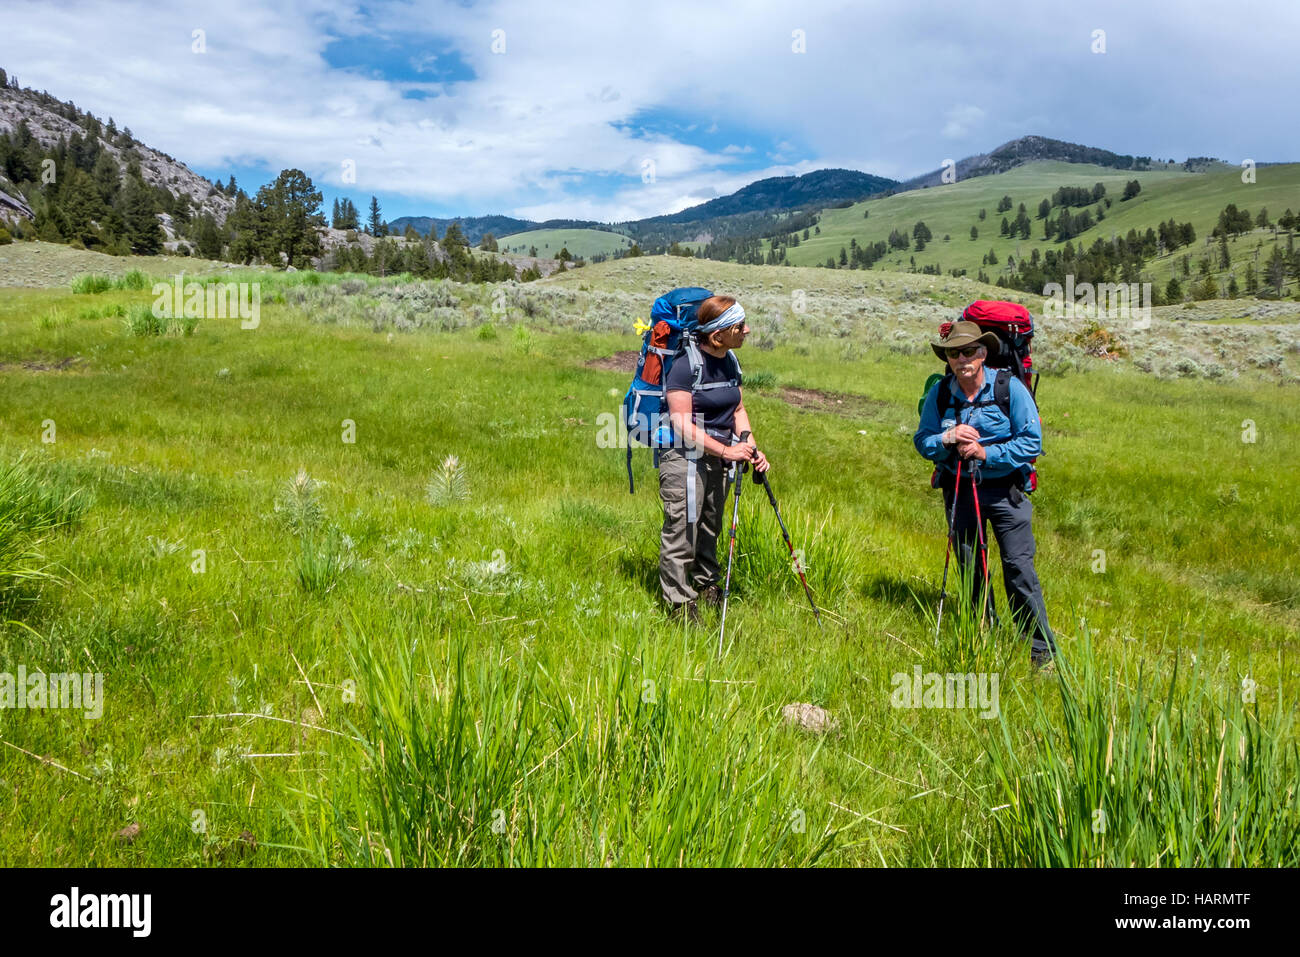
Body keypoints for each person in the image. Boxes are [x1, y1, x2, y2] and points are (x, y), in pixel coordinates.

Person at [914, 321, 1056, 667]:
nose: (961, 358)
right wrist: (946, 440)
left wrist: (986, 454)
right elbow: (923, 440)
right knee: (971, 567)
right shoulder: (942, 393)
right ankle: (982, 636)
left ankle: (1040, 652)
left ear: (982, 353)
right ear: (947, 358)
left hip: (1005, 490)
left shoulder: (1010, 389)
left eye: (968, 351)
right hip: (959, 488)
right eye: (953, 353)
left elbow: (1031, 441)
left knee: (1018, 568)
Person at [658, 295, 769, 622]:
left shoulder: (731, 361)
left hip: (721, 456)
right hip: (685, 458)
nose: (747, 330)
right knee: (683, 528)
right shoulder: (684, 366)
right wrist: (728, 451)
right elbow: (681, 424)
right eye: (739, 326)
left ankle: (707, 585)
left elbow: (737, 408)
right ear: (717, 336)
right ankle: (678, 603)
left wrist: (749, 446)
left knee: (710, 526)